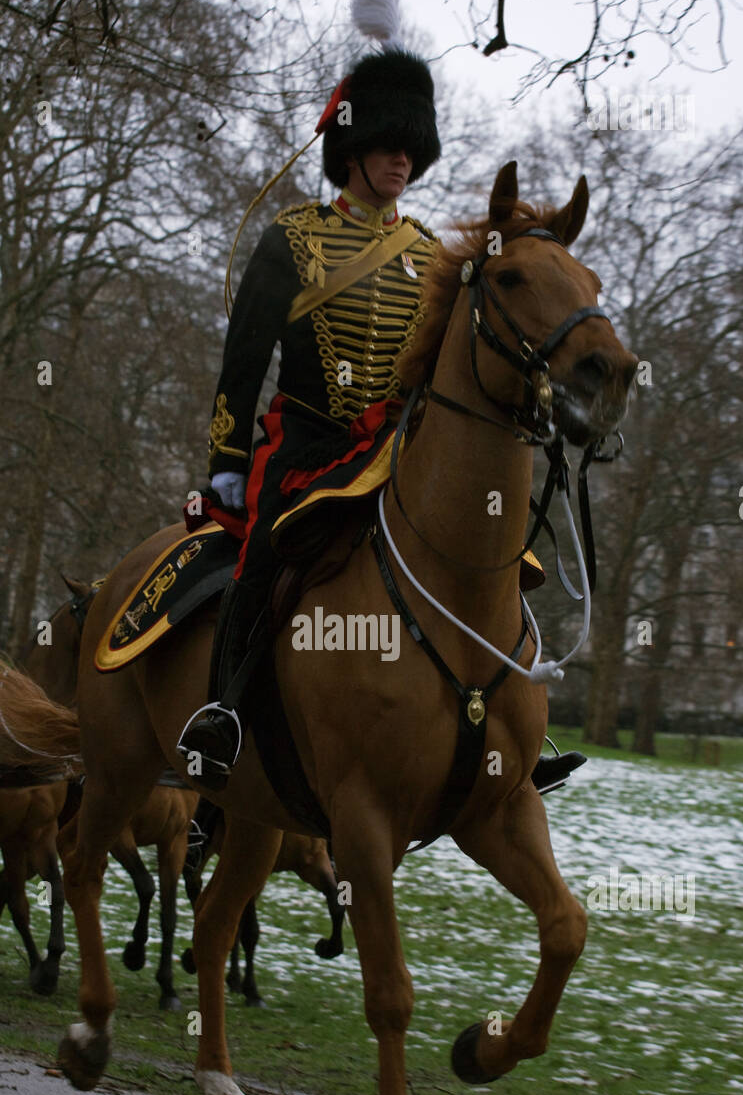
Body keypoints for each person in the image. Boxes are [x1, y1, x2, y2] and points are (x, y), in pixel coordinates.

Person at [177, 48, 585, 799]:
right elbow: (242, 364)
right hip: (305, 442)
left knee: (494, 555)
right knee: (264, 554)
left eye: (410, 147)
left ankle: (513, 719)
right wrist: (226, 463)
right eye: (386, 144)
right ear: (351, 149)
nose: (401, 158)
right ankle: (224, 711)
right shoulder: (292, 239)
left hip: (397, 446)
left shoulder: (429, 251)